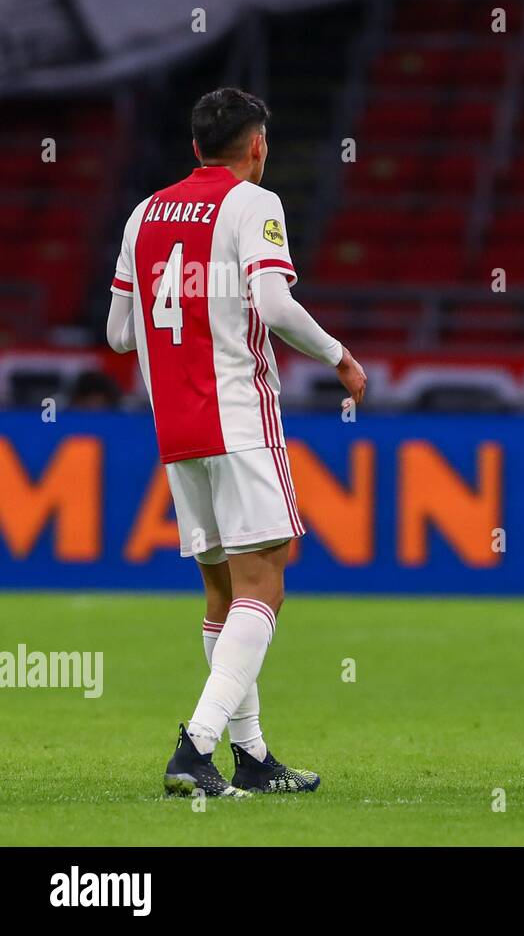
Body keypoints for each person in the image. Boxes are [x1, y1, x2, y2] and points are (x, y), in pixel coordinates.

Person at [106, 87, 367, 797]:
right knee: (266, 584)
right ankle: (196, 745)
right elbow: (276, 304)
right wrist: (339, 355)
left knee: (222, 589)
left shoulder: (144, 213)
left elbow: (119, 333)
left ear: (195, 147)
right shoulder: (255, 203)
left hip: (177, 426)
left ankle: (250, 756)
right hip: (239, 416)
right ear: (256, 145)